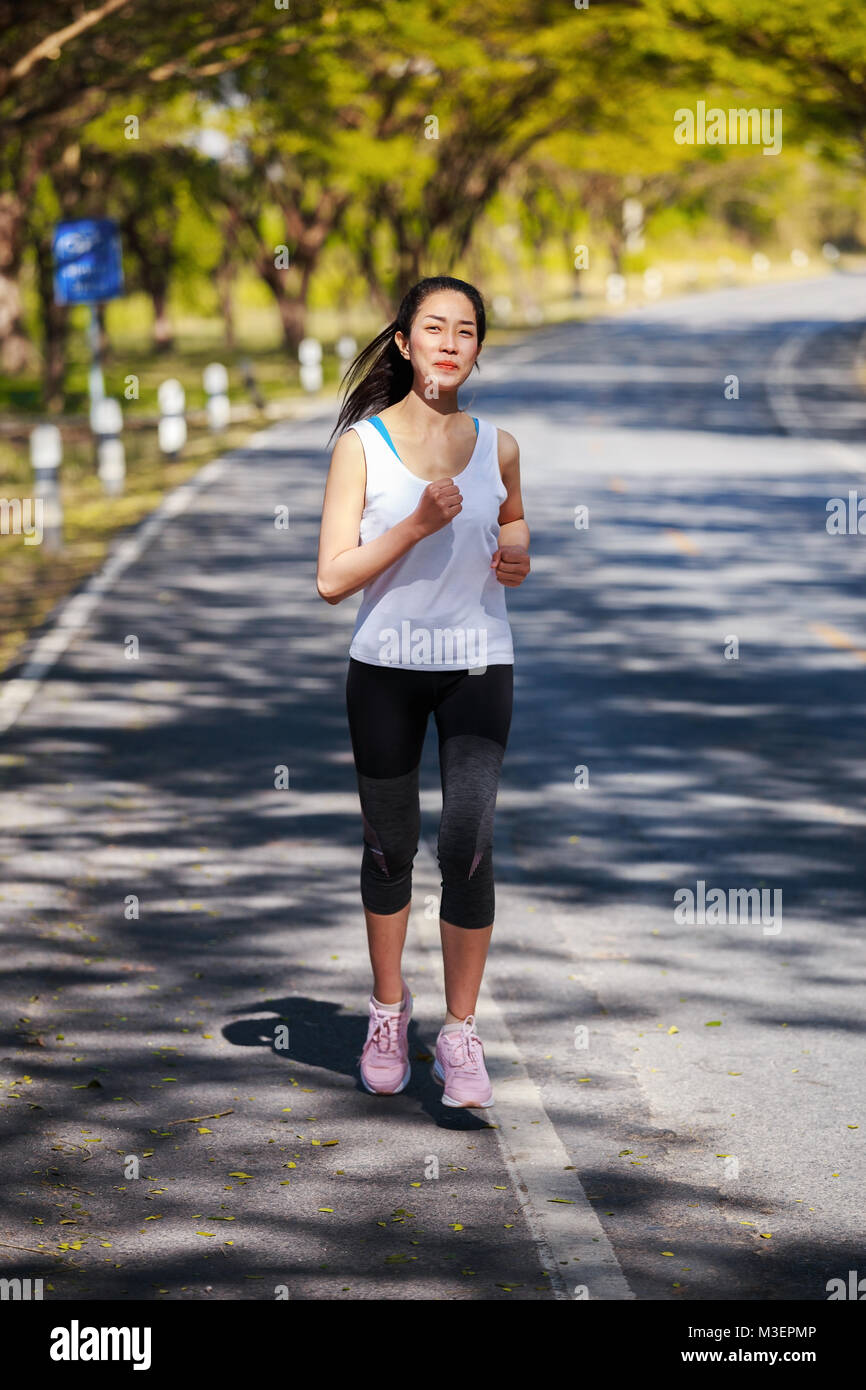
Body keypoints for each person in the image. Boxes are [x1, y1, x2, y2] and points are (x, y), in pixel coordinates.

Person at [316, 275, 530, 1108]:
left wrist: (516, 553)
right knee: (388, 846)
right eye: (433, 327)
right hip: (384, 672)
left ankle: (462, 1036)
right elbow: (332, 580)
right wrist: (413, 527)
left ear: (477, 349)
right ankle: (387, 1012)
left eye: (466, 330)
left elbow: (512, 526)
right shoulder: (359, 448)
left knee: (468, 844)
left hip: (479, 664)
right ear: (403, 343)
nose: (449, 341)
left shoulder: (500, 444)